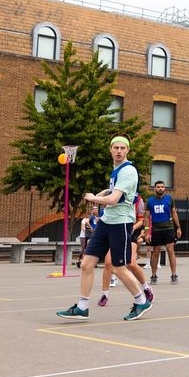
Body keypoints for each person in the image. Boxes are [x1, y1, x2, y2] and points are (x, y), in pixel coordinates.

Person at [56, 136, 153, 321]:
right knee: (86, 264)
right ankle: (82, 307)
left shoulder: (128, 170)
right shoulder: (116, 170)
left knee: (118, 267)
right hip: (106, 222)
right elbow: (113, 191)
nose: (119, 151)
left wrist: (94, 198)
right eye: (116, 148)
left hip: (120, 223)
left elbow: (114, 199)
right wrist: (101, 193)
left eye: (122, 148)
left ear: (128, 150)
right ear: (110, 149)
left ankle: (141, 301)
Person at [146, 181, 182, 285]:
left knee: (170, 250)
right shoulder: (150, 201)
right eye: (158, 187)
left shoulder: (169, 199)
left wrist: (178, 227)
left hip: (168, 228)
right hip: (156, 229)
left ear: (164, 189)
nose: (160, 188)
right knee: (156, 251)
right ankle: (153, 276)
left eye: (162, 187)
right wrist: (147, 232)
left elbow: (174, 213)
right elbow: (146, 217)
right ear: (155, 189)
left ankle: (174, 275)